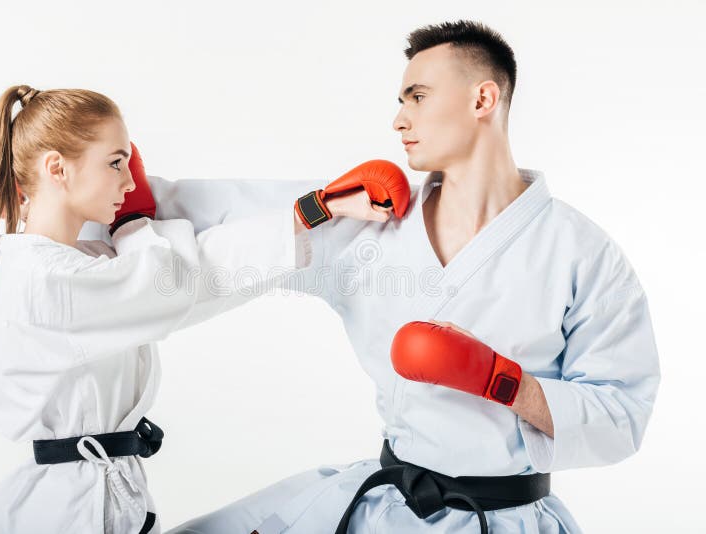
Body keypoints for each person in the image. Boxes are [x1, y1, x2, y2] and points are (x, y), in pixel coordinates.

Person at [122, 20, 660, 534]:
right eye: (401, 101)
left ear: (482, 100)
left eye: (417, 97)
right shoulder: (373, 221)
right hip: (388, 500)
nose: (399, 120)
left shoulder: (582, 252)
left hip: (508, 519)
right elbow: (248, 221)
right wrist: (147, 203)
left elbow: (623, 412)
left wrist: (501, 381)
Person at [0, 85, 400, 533]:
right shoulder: (48, 282)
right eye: (116, 163)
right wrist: (135, 224)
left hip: (89, 500)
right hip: (59, 515)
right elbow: (173, 283)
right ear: (57, 168)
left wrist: (319, 209)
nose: (130, 182)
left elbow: (196, 277)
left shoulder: (82, 263)